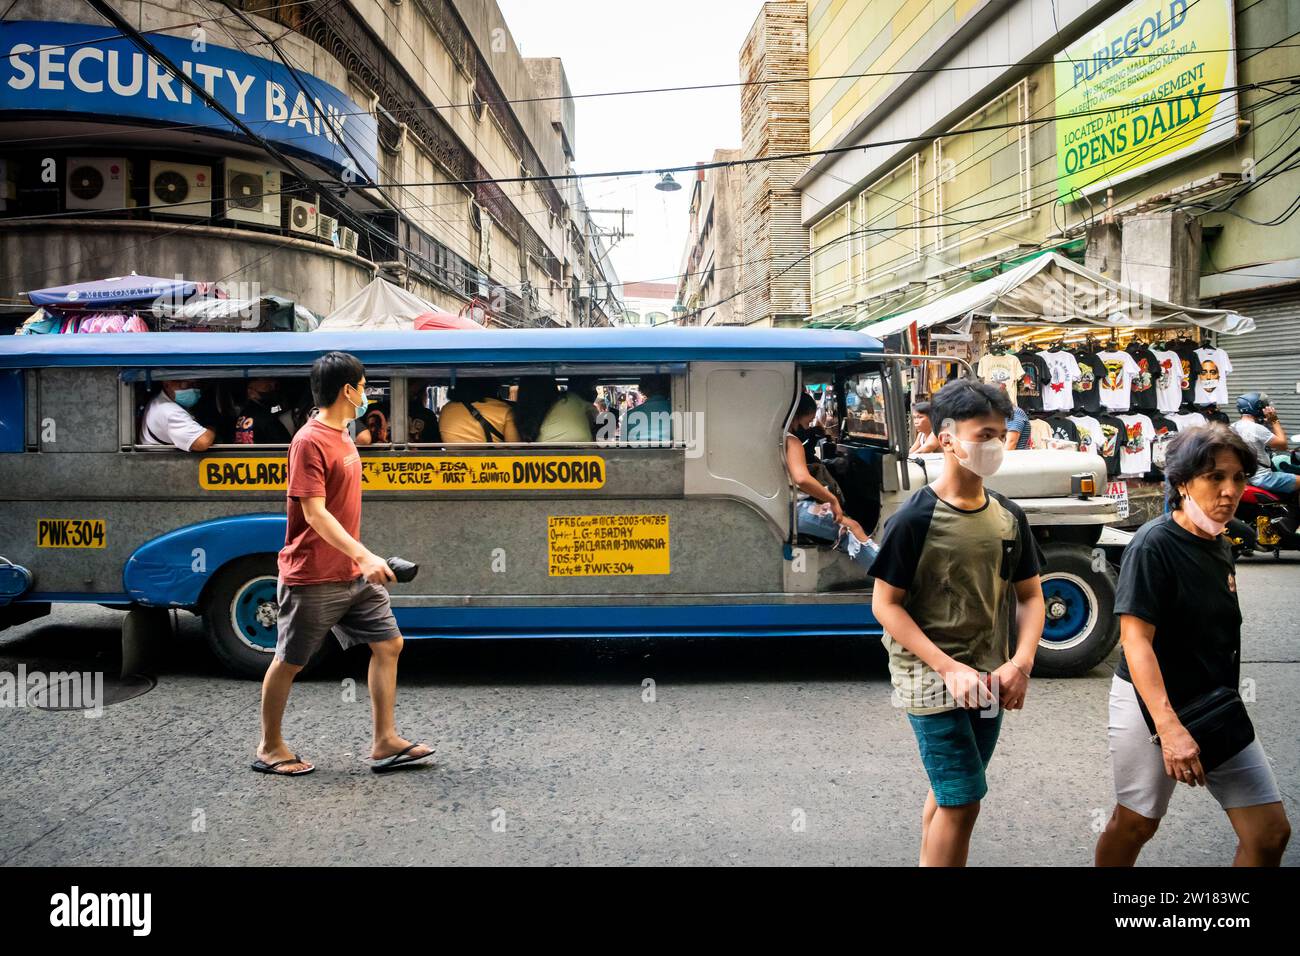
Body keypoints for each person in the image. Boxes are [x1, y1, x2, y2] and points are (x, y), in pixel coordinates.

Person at [1095, 425, 1290, 866]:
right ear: (1182, 482)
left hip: (1215, 703)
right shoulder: (1153, 546)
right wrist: (1169, 729)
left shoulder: (1221, 540)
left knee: (1269, 834)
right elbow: (1136, 642)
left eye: (1239, 477)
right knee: (1137, 823)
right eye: (1214, 477)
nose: (1230, 490)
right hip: (1151, 703)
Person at [868, 379, 1045, 867]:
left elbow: (1030, 596)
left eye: (1000, 434)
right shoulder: (915, 518)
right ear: (947, 439)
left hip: (991, 678)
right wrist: (948, 668)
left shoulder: (1009, 516)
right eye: (983, 434)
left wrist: (1021, 663)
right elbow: (886, 606)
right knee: (963, 800)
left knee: (951, 794)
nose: (994, 445)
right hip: (930, 679)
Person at [254, 351, 433, 777]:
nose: (367, 392)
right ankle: (270, 745)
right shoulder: (309, 441)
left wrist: (359, 558)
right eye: (365, 385)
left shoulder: (344, 435)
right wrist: (363, 554)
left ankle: (385, 741)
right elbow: (314, 512)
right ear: (348, 390)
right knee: (290, 660)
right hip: (313, 575)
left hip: (353, 573)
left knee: (389, 644)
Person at [785, 392, 876, 569]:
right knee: (853, 528)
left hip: (785, 507)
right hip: (795, 510)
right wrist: (832, 500)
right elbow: (801, 478)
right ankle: (890, 578)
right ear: (797, 414)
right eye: (808, 420)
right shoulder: (791, 441)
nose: (809, 424)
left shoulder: (777, 438)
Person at [1231, 392, 1296, 496]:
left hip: (1247, 477)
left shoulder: (1233, 427)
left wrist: (1266, 423)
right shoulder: (1256, 428)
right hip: (1263, 478)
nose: (1266, 408)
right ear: (1256, 407)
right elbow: (1283, 445)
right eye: (1264, 405)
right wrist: (1274, 420)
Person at [141, 380, 216, 451]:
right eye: (185, 384)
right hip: (163, 461)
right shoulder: (169, 412)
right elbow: (203, 442)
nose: (192, 390)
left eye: (195, 385)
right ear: (167, 384)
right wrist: (211, 427)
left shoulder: (161, 398)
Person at [438, 378, 520, 443]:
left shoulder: (446, 408)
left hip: (453, 462)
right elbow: (514, 446)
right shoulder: (504, 409)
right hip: (492, 462)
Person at [515, 377, 594, 443]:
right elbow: (595, 418)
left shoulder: (521, 413)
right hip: (584, 449)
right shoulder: (571, 399)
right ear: (552, 387)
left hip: (542, 452)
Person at [233, 378, 292, 445]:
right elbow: (285, 445)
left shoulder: (242, 415)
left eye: (274, 387)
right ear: (250, 392)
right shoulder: (267, 419)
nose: (272, 391)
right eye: (267, 388)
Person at [625, 375, 672, 443]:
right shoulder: (676, 410)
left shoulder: (630, 414)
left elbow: (624, 444)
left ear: (643, 389)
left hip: (637, 453)